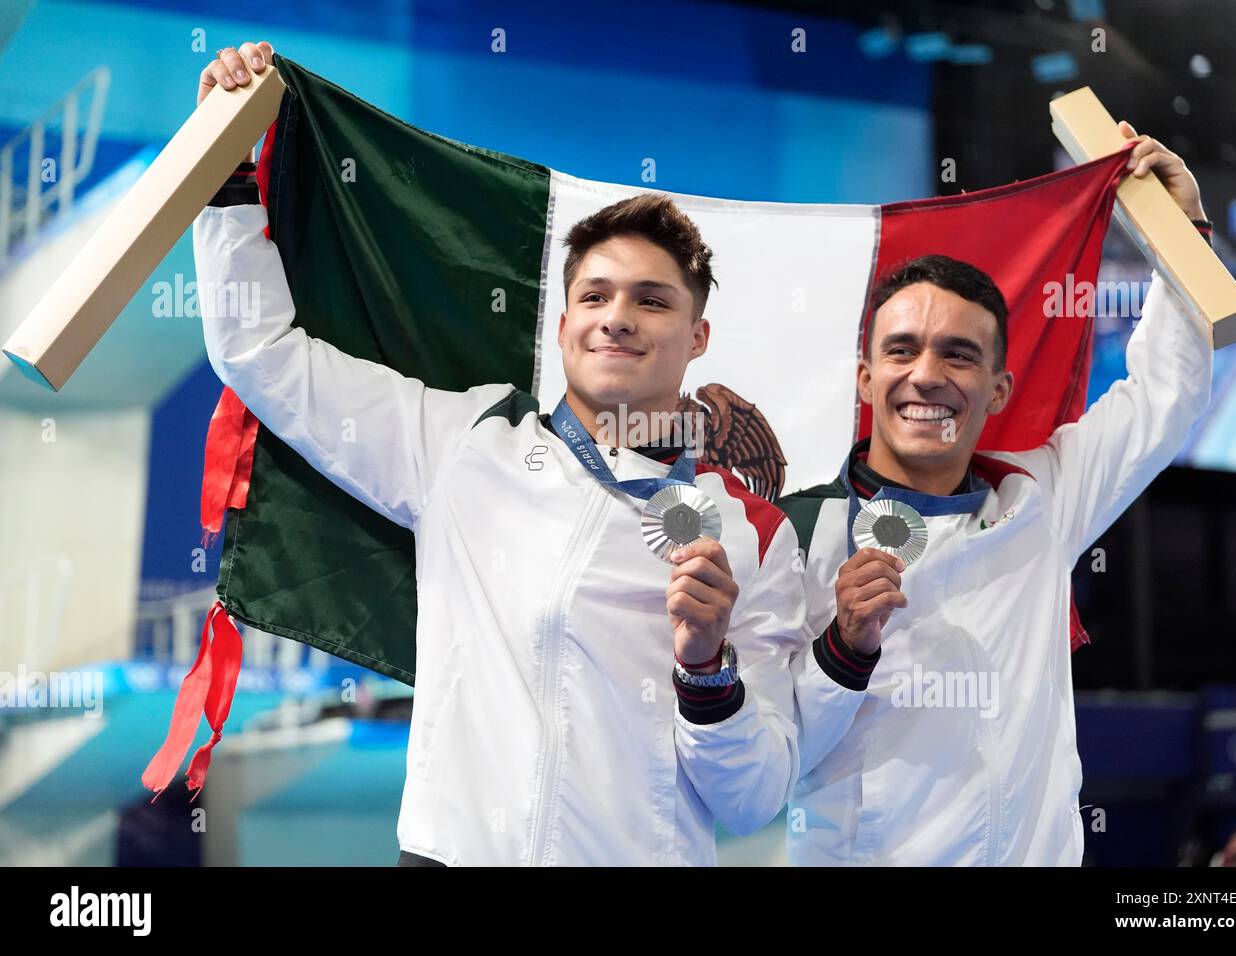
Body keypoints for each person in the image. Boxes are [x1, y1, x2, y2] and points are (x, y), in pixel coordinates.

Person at [194, 41, 847, 866]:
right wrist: (223, 175)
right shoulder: (463, 446)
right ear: (564, 324)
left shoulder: (752, 532)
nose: (618, 318)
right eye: (595, 296)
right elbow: (264, 356)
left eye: (652, 301)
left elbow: (752, 800)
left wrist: (708, 667)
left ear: (697, 337)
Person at [778, 126, 1216, 865]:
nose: (927, 374)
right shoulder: (797, 532)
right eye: (902, 350)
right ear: (866, 381)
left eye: (959, 354)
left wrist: (1184, 232)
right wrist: (840, 651)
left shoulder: (1040, 497)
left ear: (998, 389)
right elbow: (765, 755)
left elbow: (1164, 394)